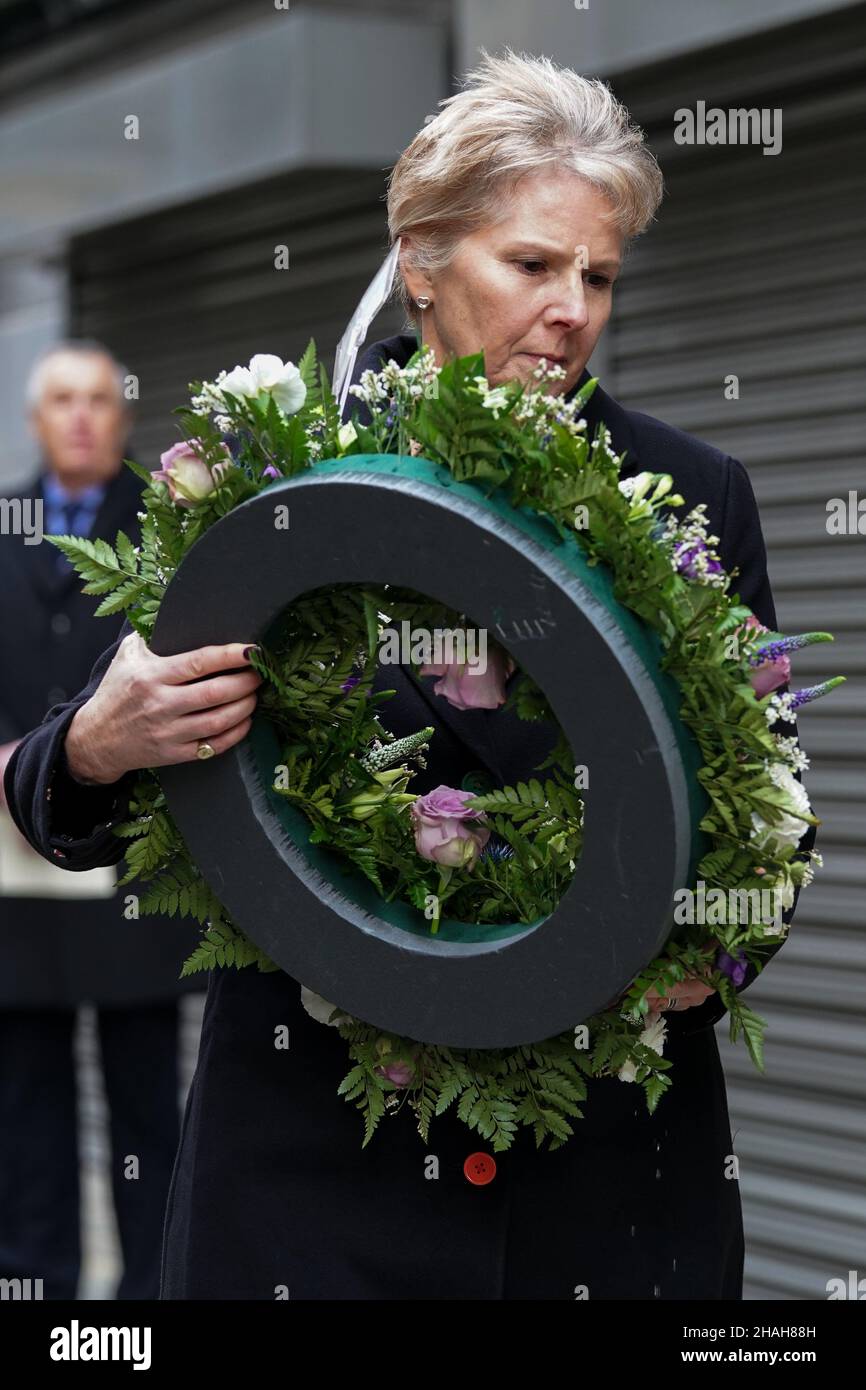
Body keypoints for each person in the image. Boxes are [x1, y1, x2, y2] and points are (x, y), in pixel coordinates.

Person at [4, 52, 815, 1300]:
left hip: (598, 1186)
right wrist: (101, 742)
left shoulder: (694, 495)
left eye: (597, 274)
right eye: (532, 265)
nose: (572, 309)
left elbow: (761, 822)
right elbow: (73, 796)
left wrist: (709, 954)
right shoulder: (268, 478)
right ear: (421, 260)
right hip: (312, 1184)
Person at [0, 342, 203, 1300]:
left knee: (144, 1098)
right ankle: (33, 1287)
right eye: (61, 401)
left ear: (120, 419)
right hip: (12, 861)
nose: (80, 417)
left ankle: (148, 1303)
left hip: (136, 858)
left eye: (97, 401)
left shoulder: (169, 529)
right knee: (22, 1093)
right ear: (37, 421)